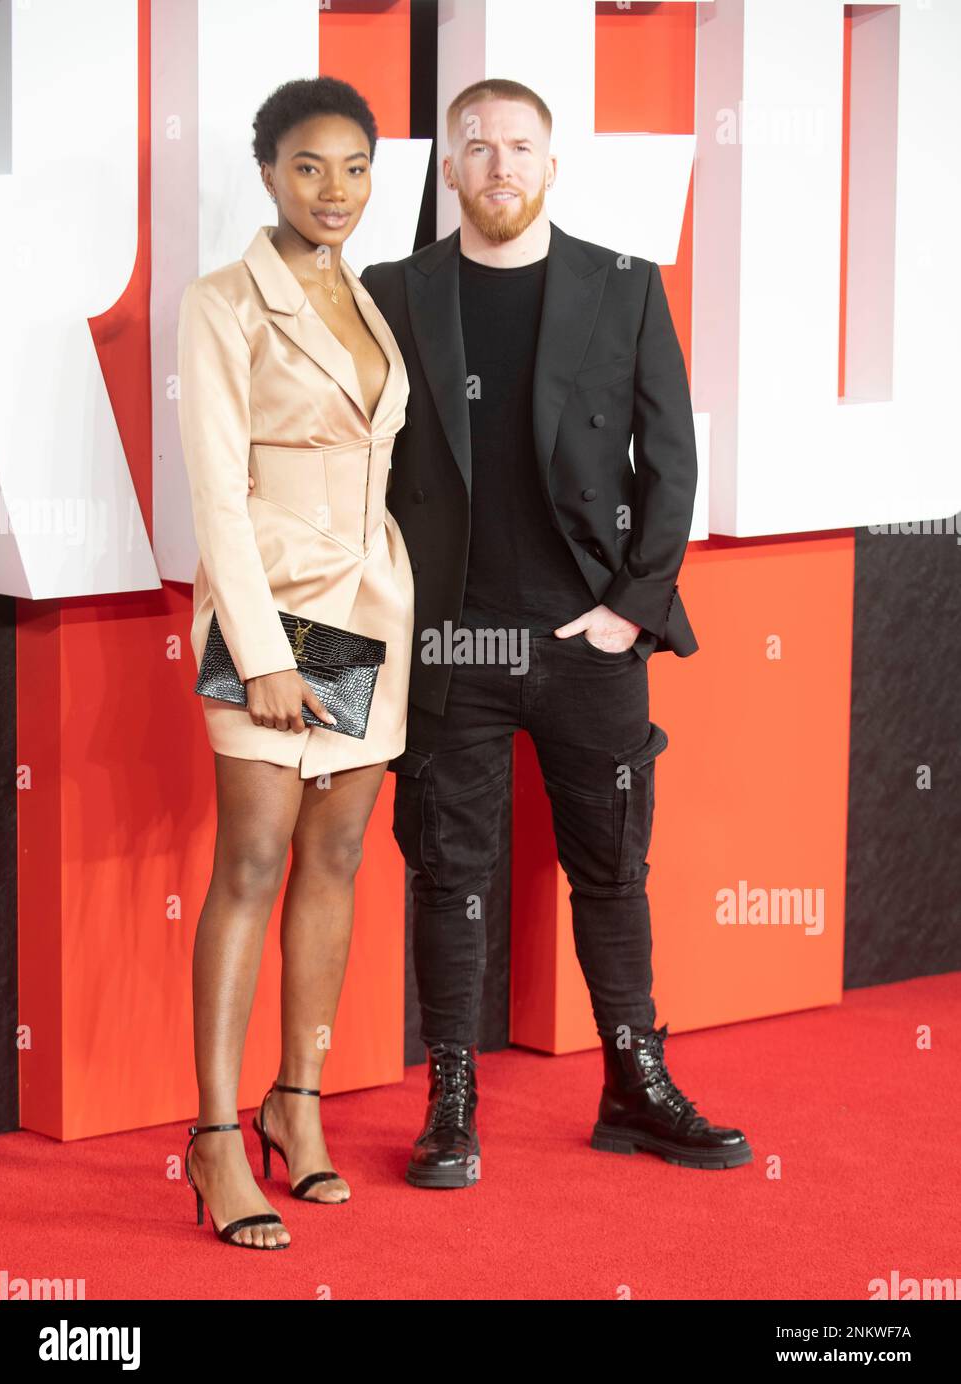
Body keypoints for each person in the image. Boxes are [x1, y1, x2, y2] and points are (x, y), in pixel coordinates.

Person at [357, 78, 752, 1186]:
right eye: (475, 147)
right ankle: (452, 1102)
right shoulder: (392, 292)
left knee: (614, 871)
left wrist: (631, 610)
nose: (498, 166)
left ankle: (635, 1083)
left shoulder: (624, 288)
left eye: (520, 146)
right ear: (447, 169)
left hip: (587, 639)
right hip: (453, 647)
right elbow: (357, 473)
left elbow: (670, 460)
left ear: (551, 164)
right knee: (450, 874)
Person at [177, 76, 413, 1248]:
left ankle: (297, 1104)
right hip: (272, 608)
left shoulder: (368, 302)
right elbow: (217, 491)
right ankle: (217, 1138)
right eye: (310, 166)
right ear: (268, 169)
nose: (336, 190)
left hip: (372, 610)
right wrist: (262, 649)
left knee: (336, 858)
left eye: (357, 168)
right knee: (253, 859)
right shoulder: (222, 302)